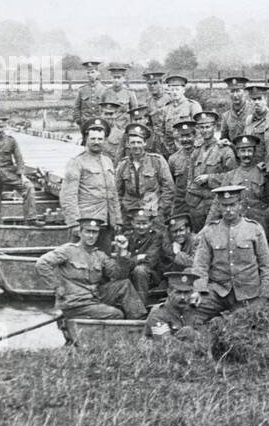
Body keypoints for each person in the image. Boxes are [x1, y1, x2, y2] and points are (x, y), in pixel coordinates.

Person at [189, 185, 269, 323]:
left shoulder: (254, 229)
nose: (228, 209)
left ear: (240, 205)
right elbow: (200, 265)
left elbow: (266, 266)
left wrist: (264, 297)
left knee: (246, 326)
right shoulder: (210, 231)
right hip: (219, 292)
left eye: (232, 205)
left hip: (248, 293)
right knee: (191, 312)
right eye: (224, 205)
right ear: (219, 207)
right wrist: (198, 290)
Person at [36, 217, 146, 321]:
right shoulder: (68, 250)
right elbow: (42, 263)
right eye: (88, 231)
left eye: (95, 232)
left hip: (94, 297)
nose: (91, 236)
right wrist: (57, 286)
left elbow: (119, 274)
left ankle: (139, 322)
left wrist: (123, 251)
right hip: (75, 303)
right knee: (116, 314)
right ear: (80, 233)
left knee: (124, 284)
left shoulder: (99, 255)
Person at [60, 117, 122, 251]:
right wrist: (73, 223)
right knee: (80, 262)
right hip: (86, 224)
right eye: (93, 139)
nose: (96, 142)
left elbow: (113, 194)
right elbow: (68, 196)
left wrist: (117, 219)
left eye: (100, 139)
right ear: (86, 139)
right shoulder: (77, 163)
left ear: (105, 140)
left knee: (103, 261)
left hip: (105, 223)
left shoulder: (108, 162)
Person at [184, 109, 236, 231]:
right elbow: (190, 178)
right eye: (201, 127)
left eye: (208, 127)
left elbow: (233, 176)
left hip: (213, 205)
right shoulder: (196, 150)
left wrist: (209, 178)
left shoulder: (224, 150)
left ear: (214, 127)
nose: (205, 130)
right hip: (195, 205)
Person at [0, 115, 38, 224]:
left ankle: (31, 218)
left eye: (2, 127)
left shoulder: (11, 141)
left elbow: (18, 157)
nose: (0, 130)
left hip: (9, 173)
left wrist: (21, 173)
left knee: (28, 187)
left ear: (6, 127)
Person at [116, 123, 175, 225]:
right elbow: (117, 192)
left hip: (151, 211)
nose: (136, 146)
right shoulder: (123, 164)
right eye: (133, 142)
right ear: (128, 144)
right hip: (129, 213)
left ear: (145, 143)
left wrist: (160, 211)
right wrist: (122, 211)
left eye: (139, 142)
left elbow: (168, 189)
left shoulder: (157, 161)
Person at [146, 270, 202, 339]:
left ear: (192, 293)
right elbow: (165, 345)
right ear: (169, 292)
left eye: (186, 292)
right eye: (178, 292)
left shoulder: (192, 312)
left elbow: (202, 339)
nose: (183, 297)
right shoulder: (158, 313)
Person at [73, 61, 105, 132]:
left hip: (100, 123)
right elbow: (76, 107)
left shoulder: (104, 90)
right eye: (88, 73)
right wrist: (78, 120)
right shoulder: (82, 90)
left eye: (92, 72)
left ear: (98, 73)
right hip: (85, 124)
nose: (90, 75)